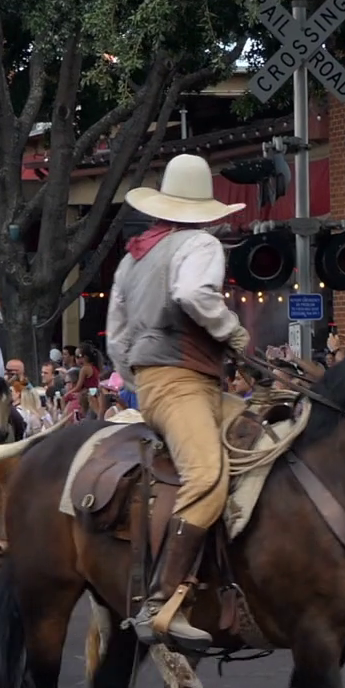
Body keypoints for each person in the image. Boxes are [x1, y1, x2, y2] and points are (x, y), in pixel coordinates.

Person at [104, 153, 249, 651]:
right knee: (206, 473)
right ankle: (166, 597)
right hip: (185, 384)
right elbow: (192, 293)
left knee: (264, 442)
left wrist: (138, 377)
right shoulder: (202, 244)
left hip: (164, 383)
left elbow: (117, 340)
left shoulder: (133, 257)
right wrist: (232, 332)